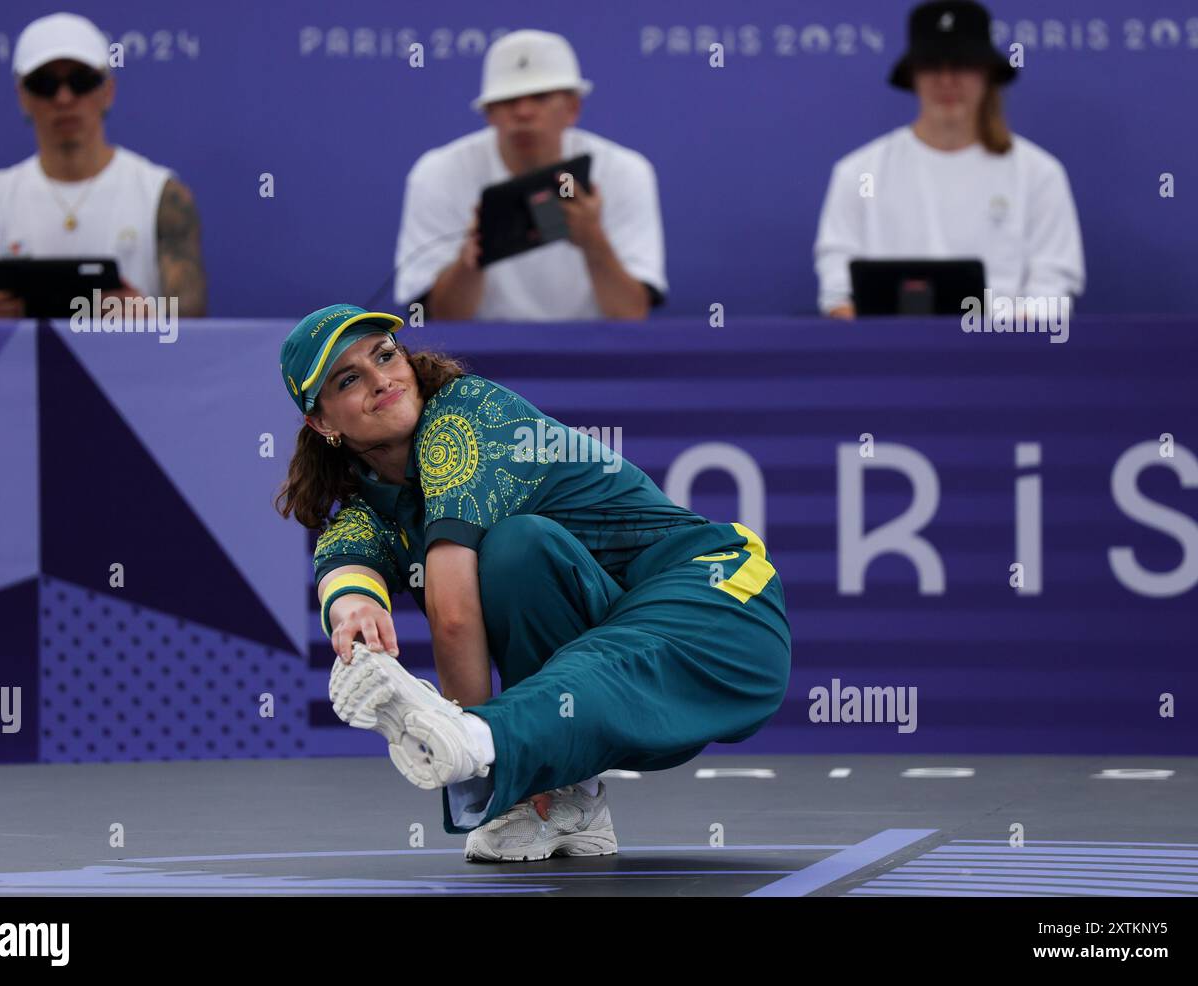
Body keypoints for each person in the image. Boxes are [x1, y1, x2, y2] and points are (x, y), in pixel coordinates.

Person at [274, 303, 791, 861]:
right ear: (322, 422)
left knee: (567, 605)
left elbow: (452, 615)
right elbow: (346, 564)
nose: (381, 380)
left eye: (384, 354)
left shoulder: (463, 416)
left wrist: (470, 760)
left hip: (722, 605)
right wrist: (352, 610)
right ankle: (569, 797)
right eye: (349, 379)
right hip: (614, 655)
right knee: (518, 552)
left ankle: (480, 742)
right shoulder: (365, 503)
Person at [813, 0, 1085, 318]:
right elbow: (838, 291)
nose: (947, 80)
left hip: (1005, 360)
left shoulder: (1038, 174)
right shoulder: (861, 174)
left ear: (988, 74)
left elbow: (1052, 292)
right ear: (913, 75)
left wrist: (984, 343)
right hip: (888, 361)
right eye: (932, 65)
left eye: (963, 64)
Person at [0, 12, 206, 318]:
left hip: (132, 365)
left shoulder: (161, 195)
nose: (64, 99)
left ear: (108, 92)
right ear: (22, 97)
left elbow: (192, 311)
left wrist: (149, 313)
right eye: (44, 84)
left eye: (81, 81)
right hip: (24, 365)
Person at [393, 29, 666, 322]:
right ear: (489, 113)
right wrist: (471, 260)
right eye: (509, 100)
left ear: (573, 108)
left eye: (540, 97)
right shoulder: (438, 173)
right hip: (474, 359)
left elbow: (631, 314)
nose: (523, 112)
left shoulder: (625, 171)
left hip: (594, 354)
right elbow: (441, 322)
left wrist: (593, 241)